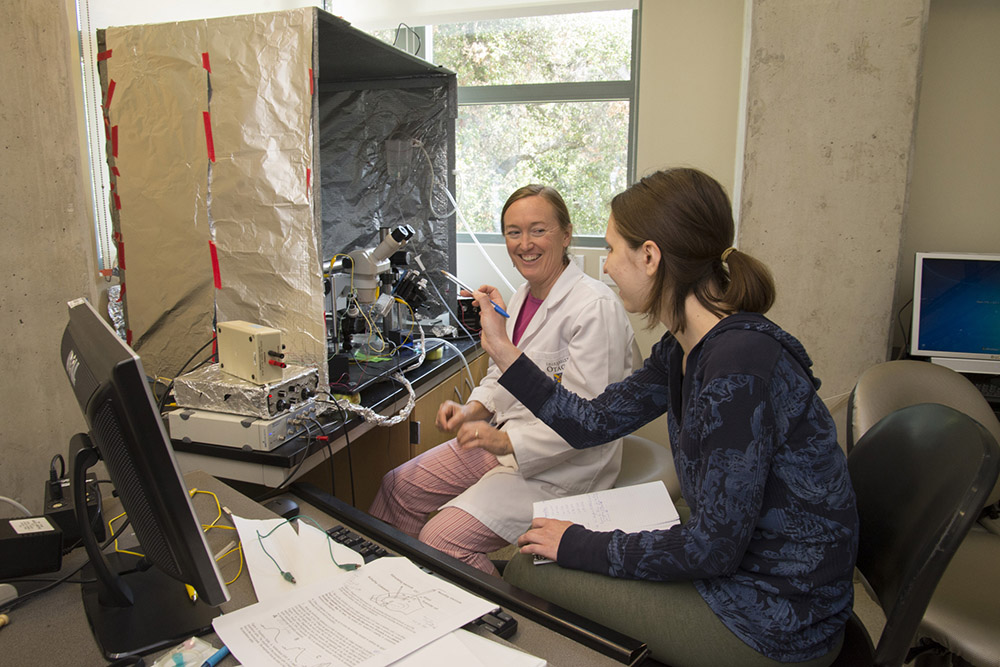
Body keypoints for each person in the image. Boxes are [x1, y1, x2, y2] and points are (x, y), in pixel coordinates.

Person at [470, 168, 859, 666]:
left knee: (531, 571)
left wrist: (582, 546)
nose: (606, 267)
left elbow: (713, 549)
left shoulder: (736, 368)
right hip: (747, 568)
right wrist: (504, 352)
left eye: (612, 250)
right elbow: (590, 422)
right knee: (547, 554)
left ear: (650, 256)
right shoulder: (684, 349)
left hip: (777, 615)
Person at [369, 184, 635, 576]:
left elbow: (588, 421)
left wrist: (502, 439)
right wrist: (471, 411)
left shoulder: (594, 308)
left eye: (538, 230)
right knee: (399, 488)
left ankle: (502, 628)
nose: (525, 244)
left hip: (565, 466)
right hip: (509, 440)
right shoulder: (522, 295)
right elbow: (503, 374)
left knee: (443, 539)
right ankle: (395, 588)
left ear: (566, 234)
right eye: (514, 232)